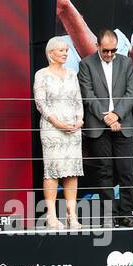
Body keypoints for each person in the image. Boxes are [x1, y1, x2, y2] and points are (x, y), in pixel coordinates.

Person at [77, 29, 133, 226]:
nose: (109, 55)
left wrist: (116, 115)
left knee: (127, 171)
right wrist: (108, 118)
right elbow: (88, 95)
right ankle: (109, 216)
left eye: (113, 50)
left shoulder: (126, 62)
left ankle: (126, 214)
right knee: (105, 171)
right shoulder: (86, 64)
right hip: (99, 125)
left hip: (123, 124)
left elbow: (131, 93)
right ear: (97, 46)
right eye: (105, 51)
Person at [34, 36, 84, 229]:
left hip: (73, 129)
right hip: (52, 129)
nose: (65, 53)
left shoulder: (72, 74)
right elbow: (41, 102)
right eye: (61, 50)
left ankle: (72, 216)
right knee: (53, 171)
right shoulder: (42, 74)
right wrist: (57, 122)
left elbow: (78, 99)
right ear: (50, 53)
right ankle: (52, 216)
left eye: (66, 50)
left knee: (72, 171)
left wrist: (79, 119)